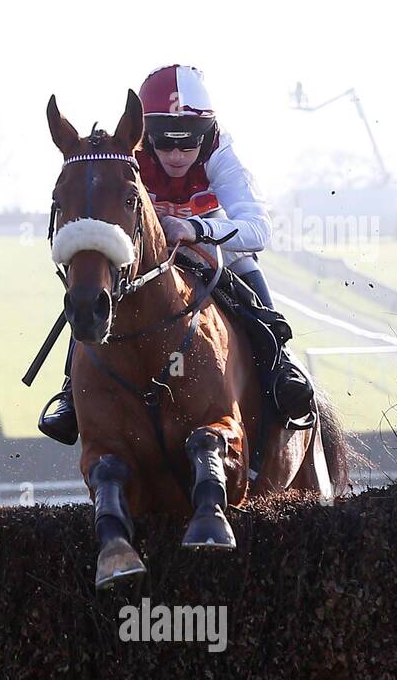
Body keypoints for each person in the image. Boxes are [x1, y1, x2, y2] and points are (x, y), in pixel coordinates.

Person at [39, 64, 315, 444]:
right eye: (165, 142)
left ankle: (280, 368)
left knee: (248, 272)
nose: (177, 153)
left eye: (189, 142)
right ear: (145, 134)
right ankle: (72, 391)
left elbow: (258, 229)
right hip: (148, 250)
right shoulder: (127, 155)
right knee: (93, 289)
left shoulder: (221, 151)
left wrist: (195, 230)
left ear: (208, 133)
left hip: (210, 242)